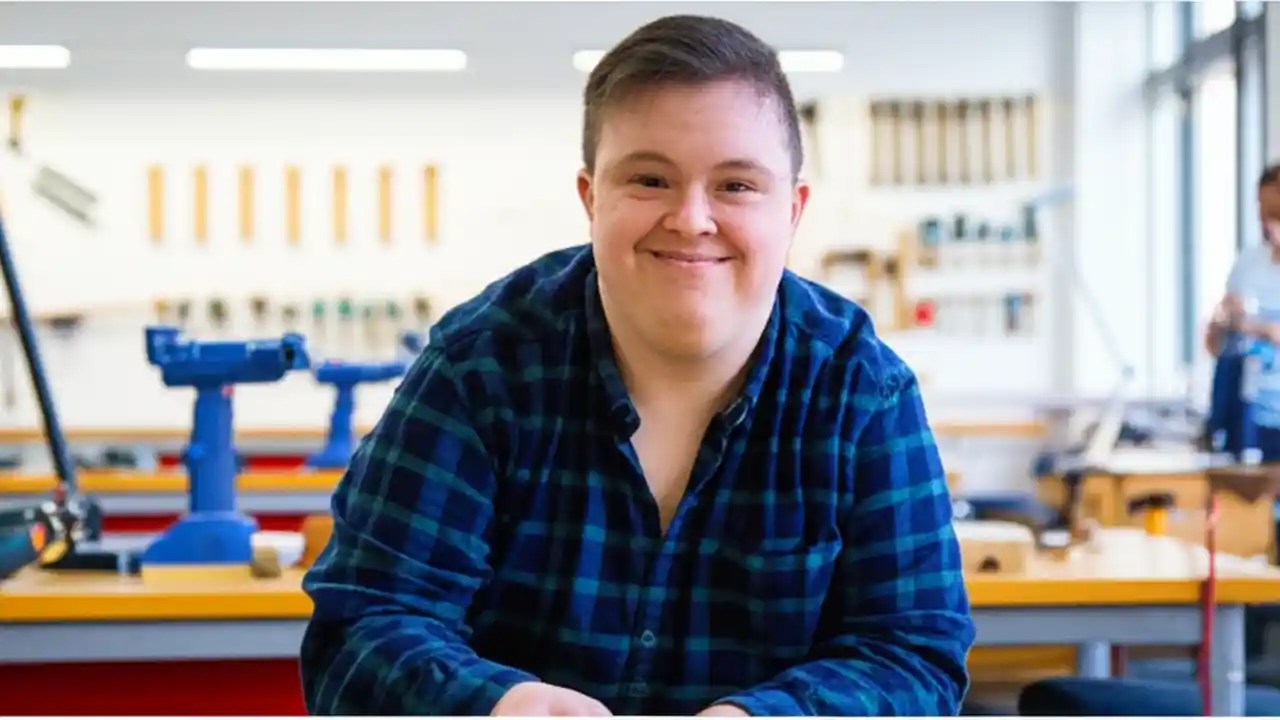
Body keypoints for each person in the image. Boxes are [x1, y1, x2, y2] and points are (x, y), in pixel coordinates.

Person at [299, 14, 974, 717]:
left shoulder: (862, 392)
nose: (691, 219)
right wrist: (498, 706)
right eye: (650, 179)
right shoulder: (477, 369)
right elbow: (362, 629)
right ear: (591, 198)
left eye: (737, 185)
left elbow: (911, 654)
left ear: (792, 210)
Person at [1204, 163, 1280, 457]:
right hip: (1249, 410)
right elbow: (1214, 344)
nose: (1267, 224)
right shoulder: (1249, 262)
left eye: (1275, 214)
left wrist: (1255, 327)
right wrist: (1223, 322)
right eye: (1262, 212)